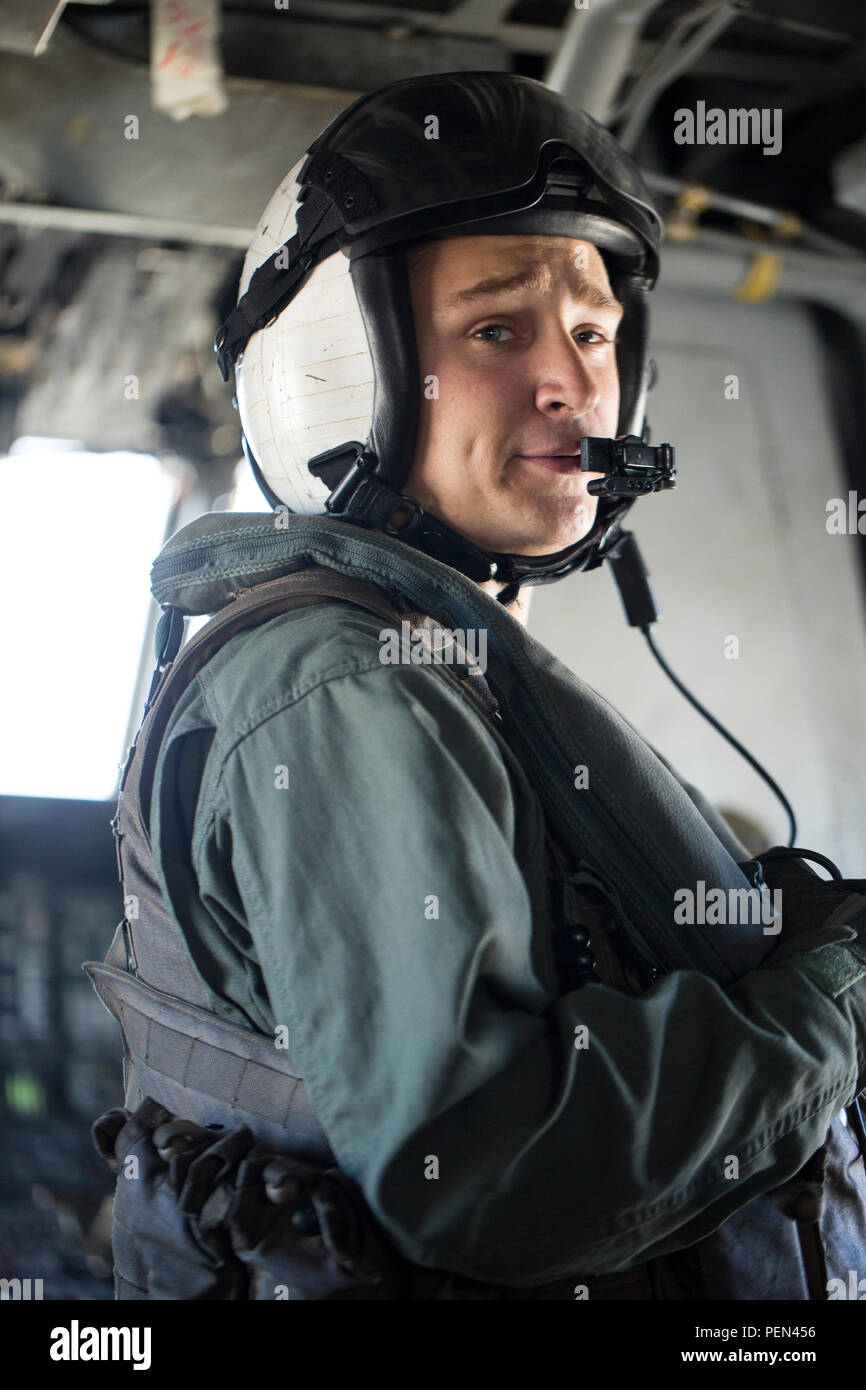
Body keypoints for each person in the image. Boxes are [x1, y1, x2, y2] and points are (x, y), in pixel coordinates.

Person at [88, 71, 866, 1301]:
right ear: (342, 371)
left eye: (595, 331)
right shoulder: (341, 682)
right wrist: (828, 1006)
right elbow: (488, 1167)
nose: (571, 380)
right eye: (497, 329)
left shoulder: (423, 658)